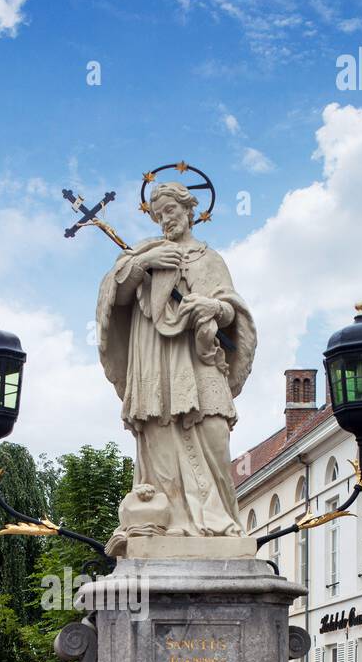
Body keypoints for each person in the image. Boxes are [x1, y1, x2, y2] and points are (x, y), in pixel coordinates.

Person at [96, 180, 257, 547]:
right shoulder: (145, 253)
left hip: (201, 359)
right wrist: (143, 264)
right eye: (158, 215)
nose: (165, 220)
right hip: (156, 363)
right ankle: (171, 524)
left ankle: (223, 525)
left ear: (189, 210)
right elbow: (114, 294)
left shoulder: (210, 259)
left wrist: (214, 308)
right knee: (160, 434)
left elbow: (233, 309)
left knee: (216, 436)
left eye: (171, 210)